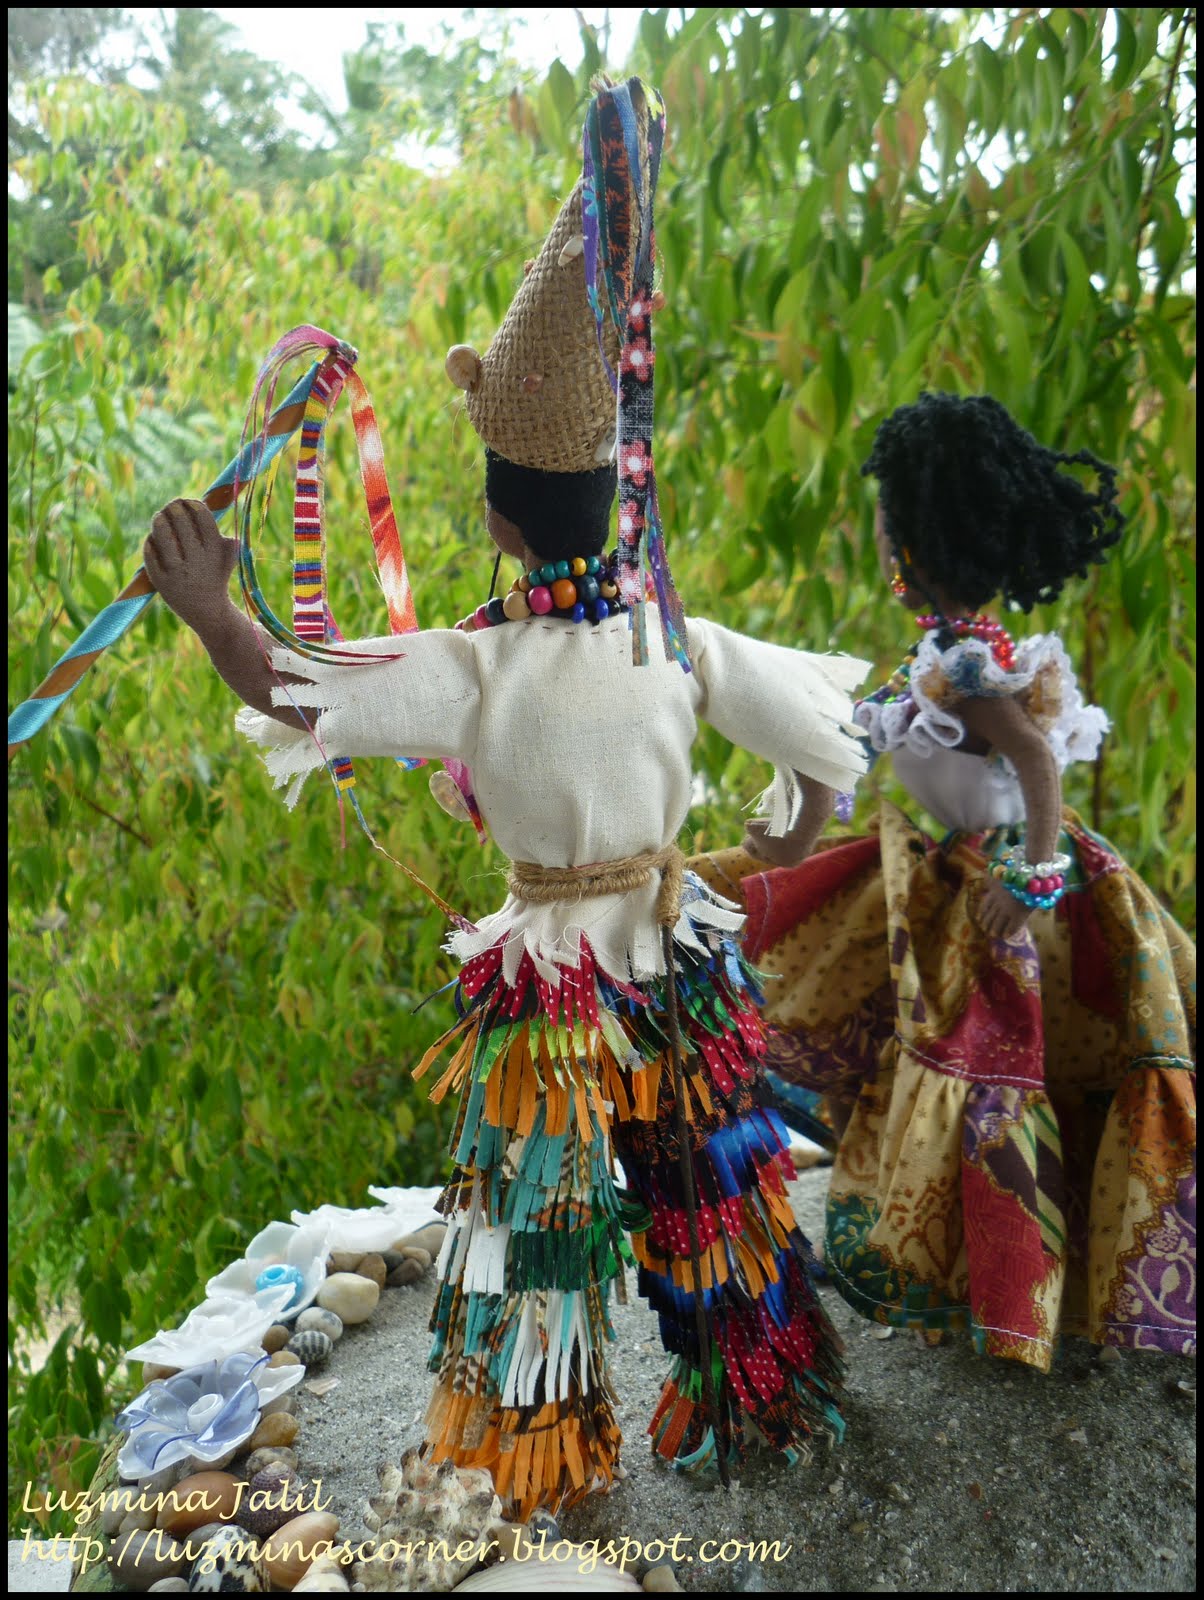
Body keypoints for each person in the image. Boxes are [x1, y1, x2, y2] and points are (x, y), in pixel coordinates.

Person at [141, 78, 872, 1518]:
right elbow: (825, 742)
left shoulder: (476, 670)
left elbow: (300, 690)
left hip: (548, 986)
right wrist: (786, 824)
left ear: (492, 512)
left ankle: (526, 1463)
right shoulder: (677, 632)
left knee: (530, 1229)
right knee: (717, 1191)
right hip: (680, 951)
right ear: (620, 500)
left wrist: (208, 606)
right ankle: (765, 1385)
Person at [693, 391, 1196, 1369]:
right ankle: (979, 1265)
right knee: (961, 1066)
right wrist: (790, 836)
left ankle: (1006, 1279)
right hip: (953, 876)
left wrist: (1037, 873)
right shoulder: (941, 660)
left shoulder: (971, 667)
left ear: (910, 546)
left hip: (1002, 892)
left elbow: (1039, 770)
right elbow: (846, 752)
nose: (880, 538)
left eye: (886, 524)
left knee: (990, 1069)